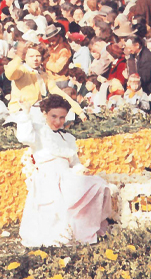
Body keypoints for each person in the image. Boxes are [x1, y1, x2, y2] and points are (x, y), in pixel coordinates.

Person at [14, 95, 112, 247]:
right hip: (48, 177)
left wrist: (81, 169)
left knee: (98, 184)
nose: (58, 121)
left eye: (62, 117)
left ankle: (82, 231)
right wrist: (25, 112)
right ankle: (61, 235)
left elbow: (74, 162)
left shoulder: (68, 138)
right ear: (45, 114)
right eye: (54, 116)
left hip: (67, 175)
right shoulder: (38, 131)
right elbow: (24, 137)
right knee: (57, 204)